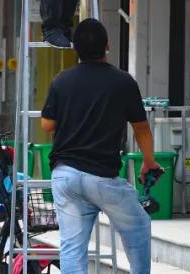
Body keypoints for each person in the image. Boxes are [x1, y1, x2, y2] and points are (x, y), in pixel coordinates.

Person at [41, 18, 161, 274]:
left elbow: (47, 125)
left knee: (72, 248)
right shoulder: (123, 82)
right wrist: (148, 161)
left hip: (65, 176)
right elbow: (141, 128)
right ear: (108, 46)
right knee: (138, 225)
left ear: (75, 48)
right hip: (102, 178)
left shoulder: (62, 81)